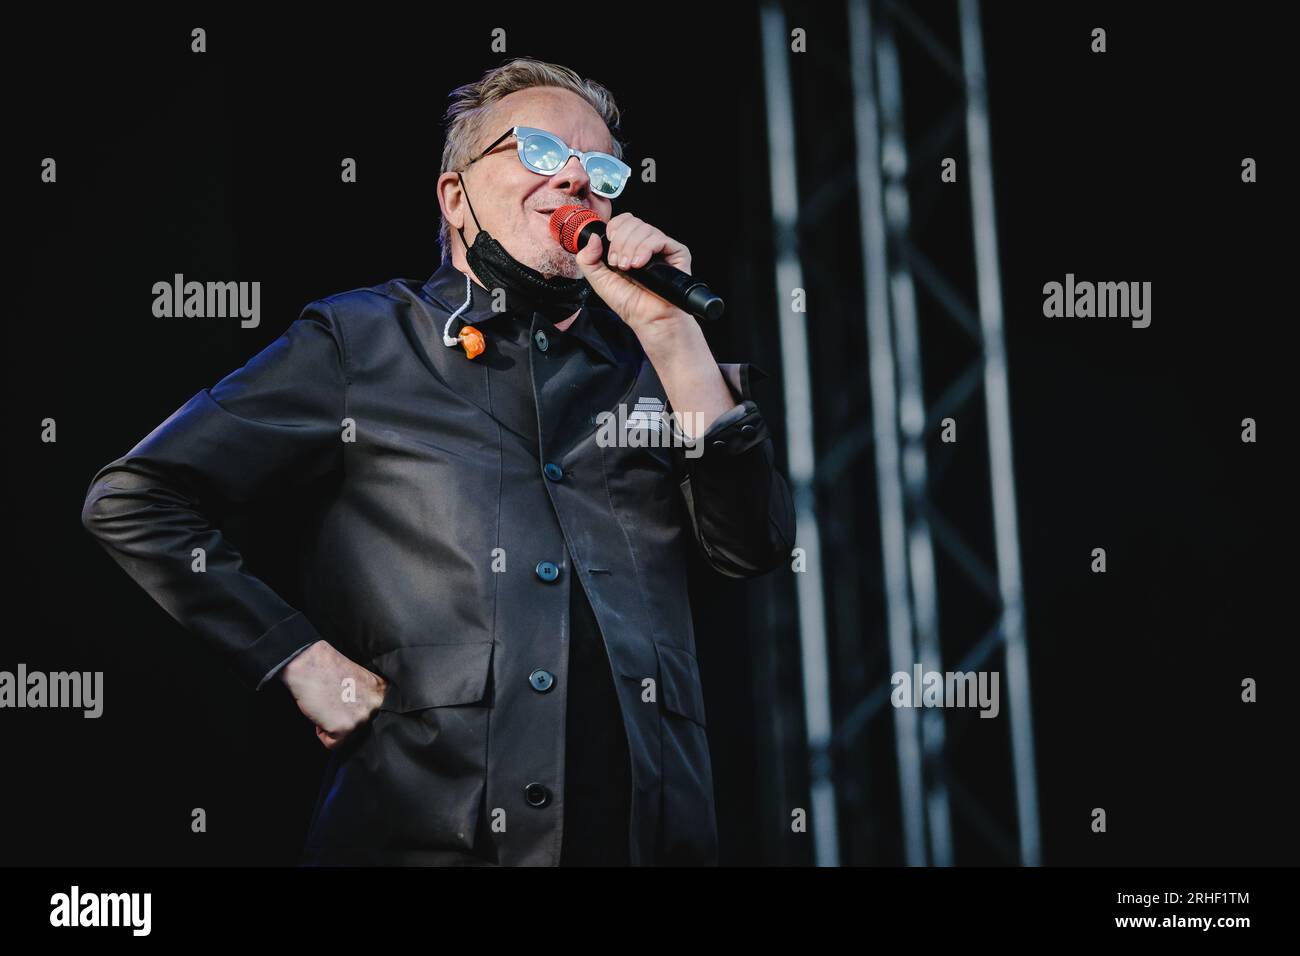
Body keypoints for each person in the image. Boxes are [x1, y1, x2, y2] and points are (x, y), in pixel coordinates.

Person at [81, 57, 795, 866]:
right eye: (536, 150)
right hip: (424, 838)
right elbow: (135, 496)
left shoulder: (653, 370)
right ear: (456, 196)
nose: (574, 178)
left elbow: (752, 546)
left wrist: (670, 333)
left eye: (600, 169)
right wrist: (294, 657)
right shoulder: (365, 342)